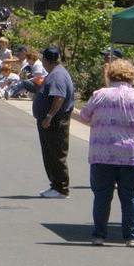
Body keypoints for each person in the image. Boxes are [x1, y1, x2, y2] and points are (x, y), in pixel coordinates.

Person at [79, 58, 134, 247]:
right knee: (130, 196)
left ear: (110, 76)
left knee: (101, 196)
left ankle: (99, 235)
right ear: (132, 77)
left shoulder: (100, 95)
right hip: (131, 154)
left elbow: (84, 115)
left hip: (102, 152)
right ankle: (131, 236)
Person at [35, 45, 75, 198]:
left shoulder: (57, 75)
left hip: (56, 121)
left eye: (43, 58)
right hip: (51, 120)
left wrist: (49, 116)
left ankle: (61, 188)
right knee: (50, 153)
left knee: (56, 154)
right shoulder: (56, 73)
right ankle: (55, 186)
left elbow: (59, 97)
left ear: (46, 60)